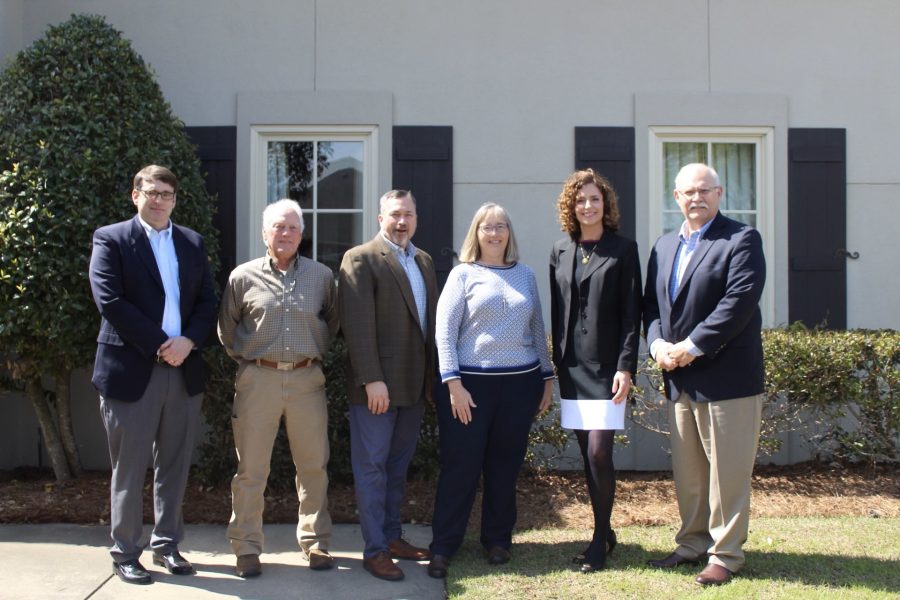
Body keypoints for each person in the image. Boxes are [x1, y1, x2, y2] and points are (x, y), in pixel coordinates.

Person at [88, 165, 217, 585]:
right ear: (135, 195)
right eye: (150, 192)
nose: (158, 199)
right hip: (134, 370)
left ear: (175, 199)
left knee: (175, 465)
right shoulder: (112, 239)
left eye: (166, 193)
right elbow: (110, 299)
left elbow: (206, 303)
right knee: (129, 467)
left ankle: (167, 545)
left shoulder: (192, 243)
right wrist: (163, 342)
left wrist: (188, 342)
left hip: (183, 369)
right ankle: (125, 551)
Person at [643, 163, 767, 586]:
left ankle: (726, 554)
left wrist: (691, 347)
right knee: (690, 473)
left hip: (727, 379)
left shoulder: (741, 239)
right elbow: (653, 309)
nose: (696, 198)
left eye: (705, 190)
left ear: (720, 193)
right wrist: (658, 345)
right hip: (679, 378)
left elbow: (739, 302)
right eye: (687, 192)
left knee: (727, 473)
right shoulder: (662, 246)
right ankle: (692, 543)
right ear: (675, 198)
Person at [427, 202, 554, 580]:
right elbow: (444, 333)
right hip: (470, 386)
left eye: (501, 227)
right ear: (476, 234)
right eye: (487, 227)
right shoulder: (462, 275)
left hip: (519, 385)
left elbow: (536, 329)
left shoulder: (526, 275)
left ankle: (497, 540)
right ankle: (444, 545)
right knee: (461, 468)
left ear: (509, 234)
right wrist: (453, 384)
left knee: (504, 467)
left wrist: (547, 378)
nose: (494, 233)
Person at [218, 199, 339, 578]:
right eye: (277, 227)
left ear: (301, 235)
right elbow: (227, 328)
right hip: (259, 379)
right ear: (264, 233)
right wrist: (251, 362)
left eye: (291, 228)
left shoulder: (321, 277)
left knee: (313, 466)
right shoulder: (242, 276)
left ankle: (315, 541)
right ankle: (247, 547)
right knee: (251, 470)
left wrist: (311, 354)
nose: (284, 234)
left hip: (307, 380)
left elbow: (332, 323)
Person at [338, 189, 438, 581]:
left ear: (416, 218)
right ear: (380, 218)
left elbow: (426, 327)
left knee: (397, 467)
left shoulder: (424, 260)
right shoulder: (360, 259)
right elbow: (357, 326)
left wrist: (431, 380)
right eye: (394, 214)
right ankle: (375, 550)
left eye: (408, 215)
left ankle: (393, 537)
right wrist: (371, 380)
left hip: (413, 387)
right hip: (376, 389)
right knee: (372, 469)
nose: (401, 222)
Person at [549, 170, 642, 573]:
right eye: (581, 200)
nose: (588, 206)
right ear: (571, 206)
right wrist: (554, 364)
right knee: (586, 457)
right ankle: (604, 532)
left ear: (606, 205)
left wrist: (626, 366)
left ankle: (599, 541)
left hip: (606, 370)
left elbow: (631, 316)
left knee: (599, 453)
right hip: (572, 368)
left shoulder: (624, 250)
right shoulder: (560, 250)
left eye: (595, 199)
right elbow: (557, 310)